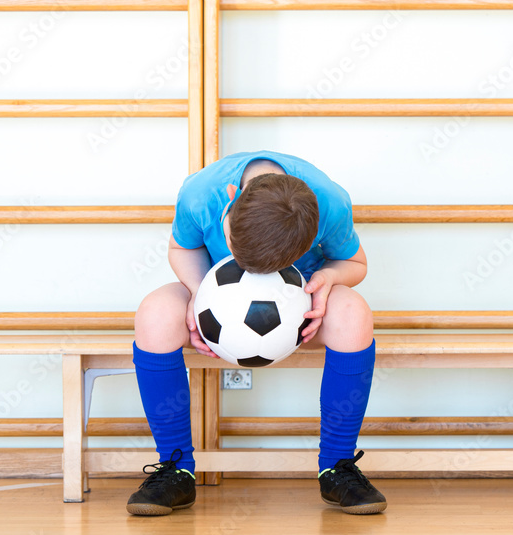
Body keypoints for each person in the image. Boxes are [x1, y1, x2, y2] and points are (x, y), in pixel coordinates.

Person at [126, 151, 385, 516]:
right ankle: (175, 468)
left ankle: (337, 466)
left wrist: (329, 277)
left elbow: (354, 263)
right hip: (213, 290)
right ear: (231, 196)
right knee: (154, 313)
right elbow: (181, 247)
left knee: (355, 313)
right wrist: (199, 295)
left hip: (300, 299)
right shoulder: (201, 193)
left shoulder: (329, 201)